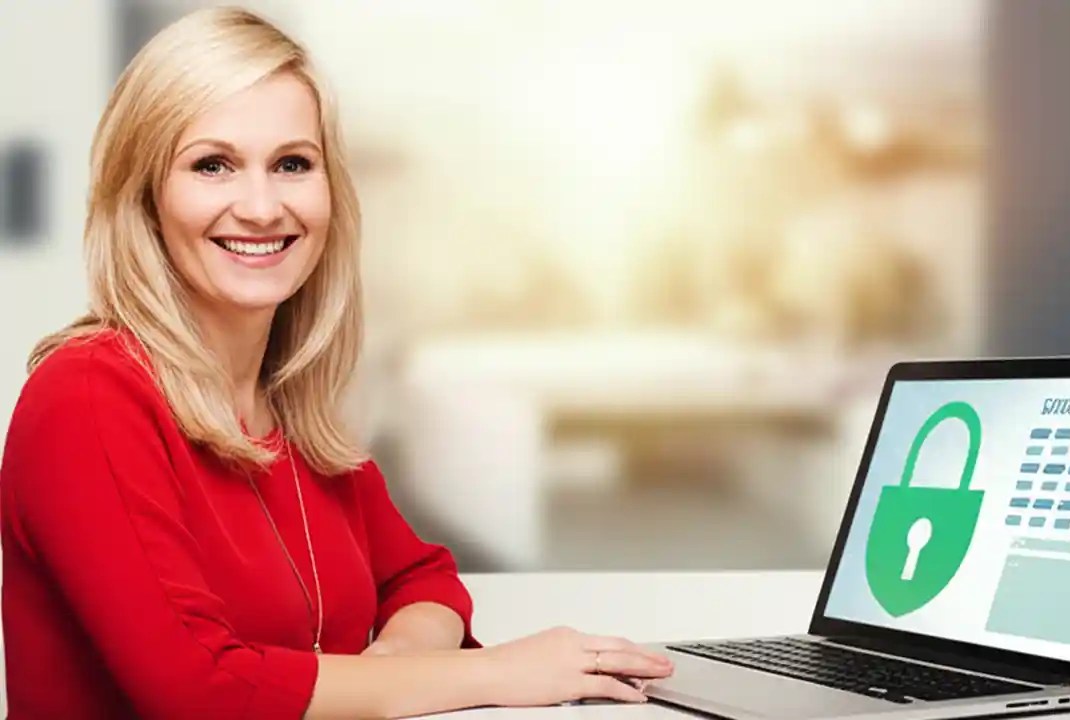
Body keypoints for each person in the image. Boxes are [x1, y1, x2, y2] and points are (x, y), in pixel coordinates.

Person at [0, 6, 672, 718]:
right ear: (145, 198)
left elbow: (426, 580)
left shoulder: (285, 405)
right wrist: (496, 674)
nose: (261, 206)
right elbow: (199, 687)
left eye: (293, 164)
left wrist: (393, 668)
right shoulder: (85, 397)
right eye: (212, 165)